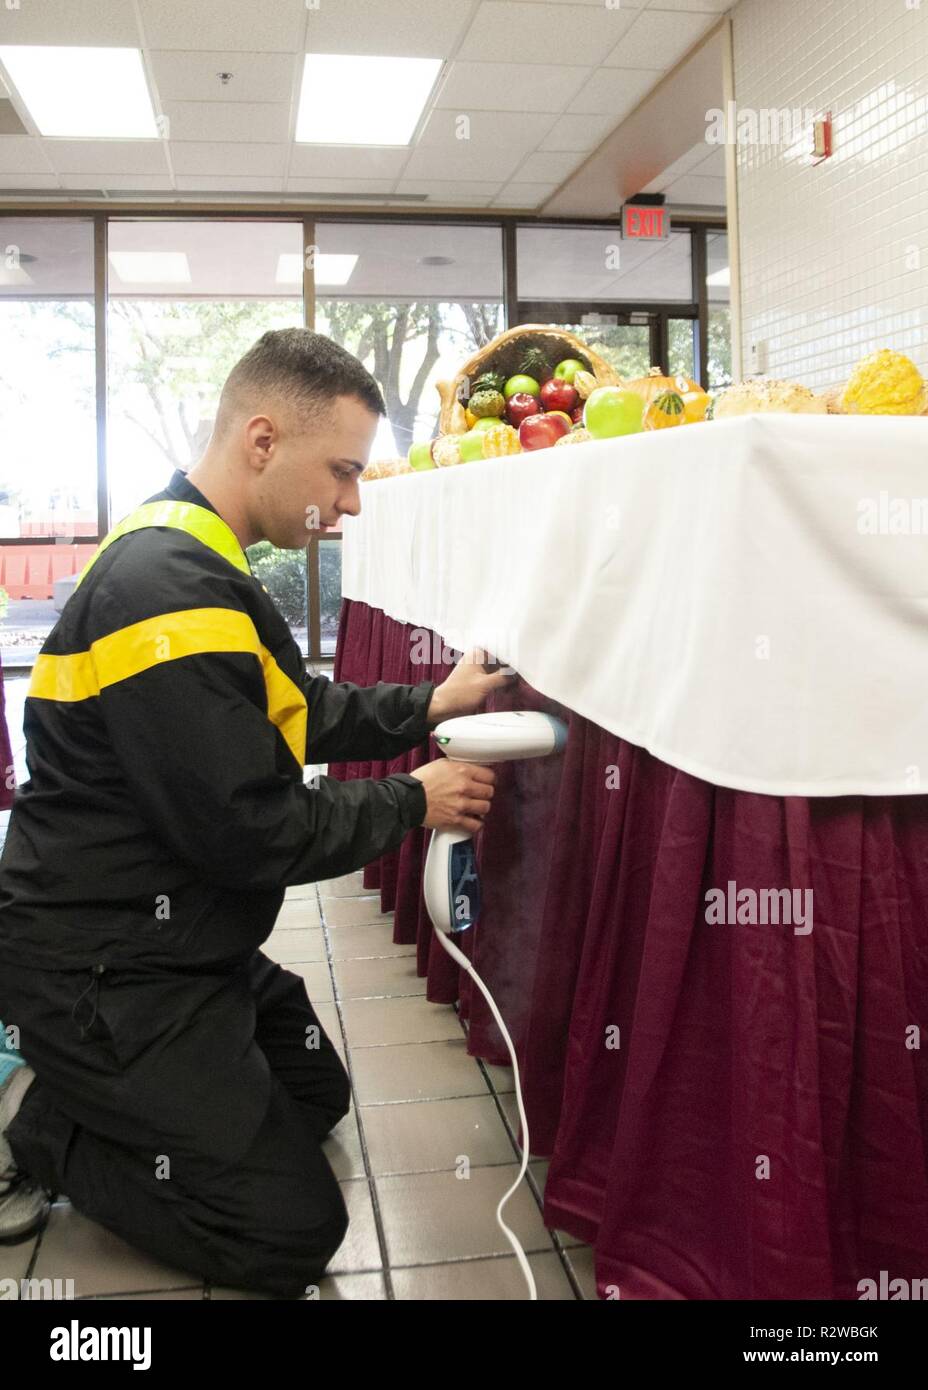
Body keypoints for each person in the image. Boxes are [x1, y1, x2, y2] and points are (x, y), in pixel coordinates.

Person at [0, 329, 505, 1291]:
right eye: (344, 472)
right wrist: (413, 799)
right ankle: (43, 1121)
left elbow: (294, 709)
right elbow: (248, 831)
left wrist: (428, 703)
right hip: (104, 967)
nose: (352, 503)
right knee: (289, 1231)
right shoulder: (165, 592)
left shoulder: (191, 551)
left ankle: (144, 1103)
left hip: (185, 943)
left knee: (315, 1090)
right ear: (264, 441)